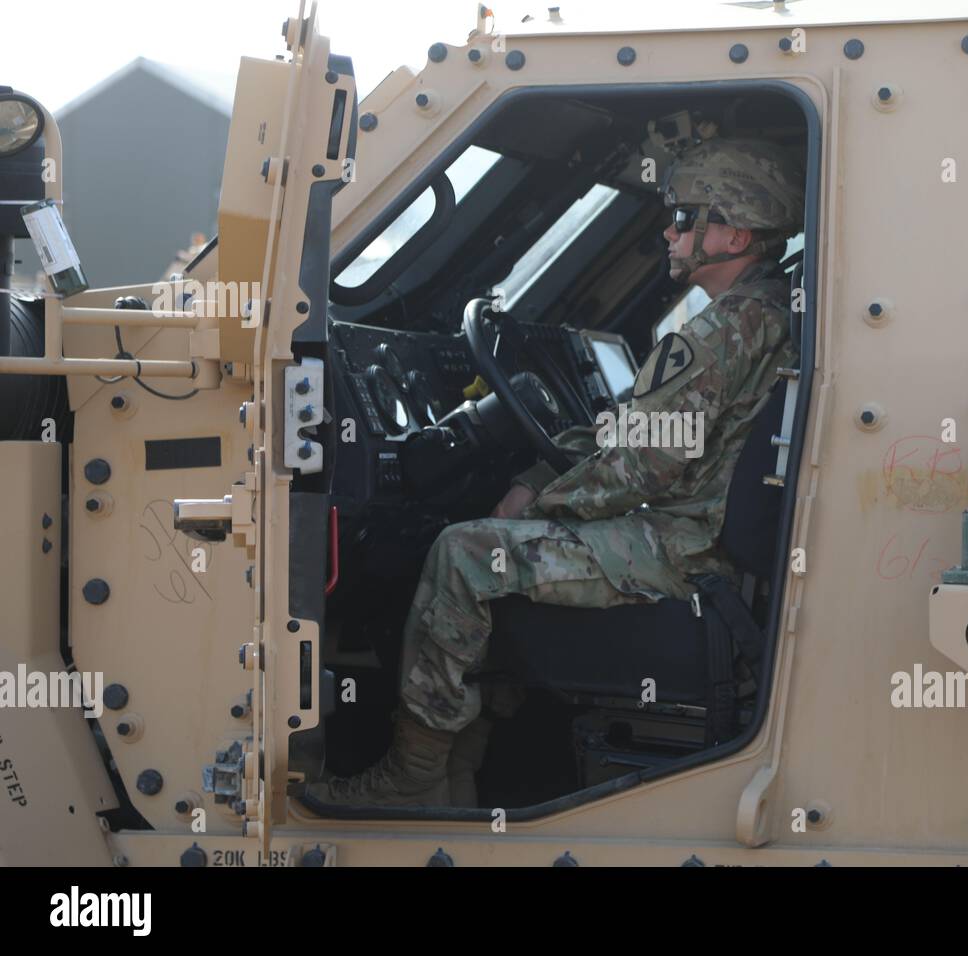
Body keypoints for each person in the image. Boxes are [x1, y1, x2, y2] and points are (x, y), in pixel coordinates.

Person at [303, 135, 804, 809]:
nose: (669, 230)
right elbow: (638, 431)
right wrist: (543, 469)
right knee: (494, 552)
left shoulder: (717, 336)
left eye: (686, 217)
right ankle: (457, 776)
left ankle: (414, 776)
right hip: (697, 535)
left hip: (683, 549)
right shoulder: (761, 314)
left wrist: (534, 502)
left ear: (736, 233)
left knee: (464, 552)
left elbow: (634, 472)